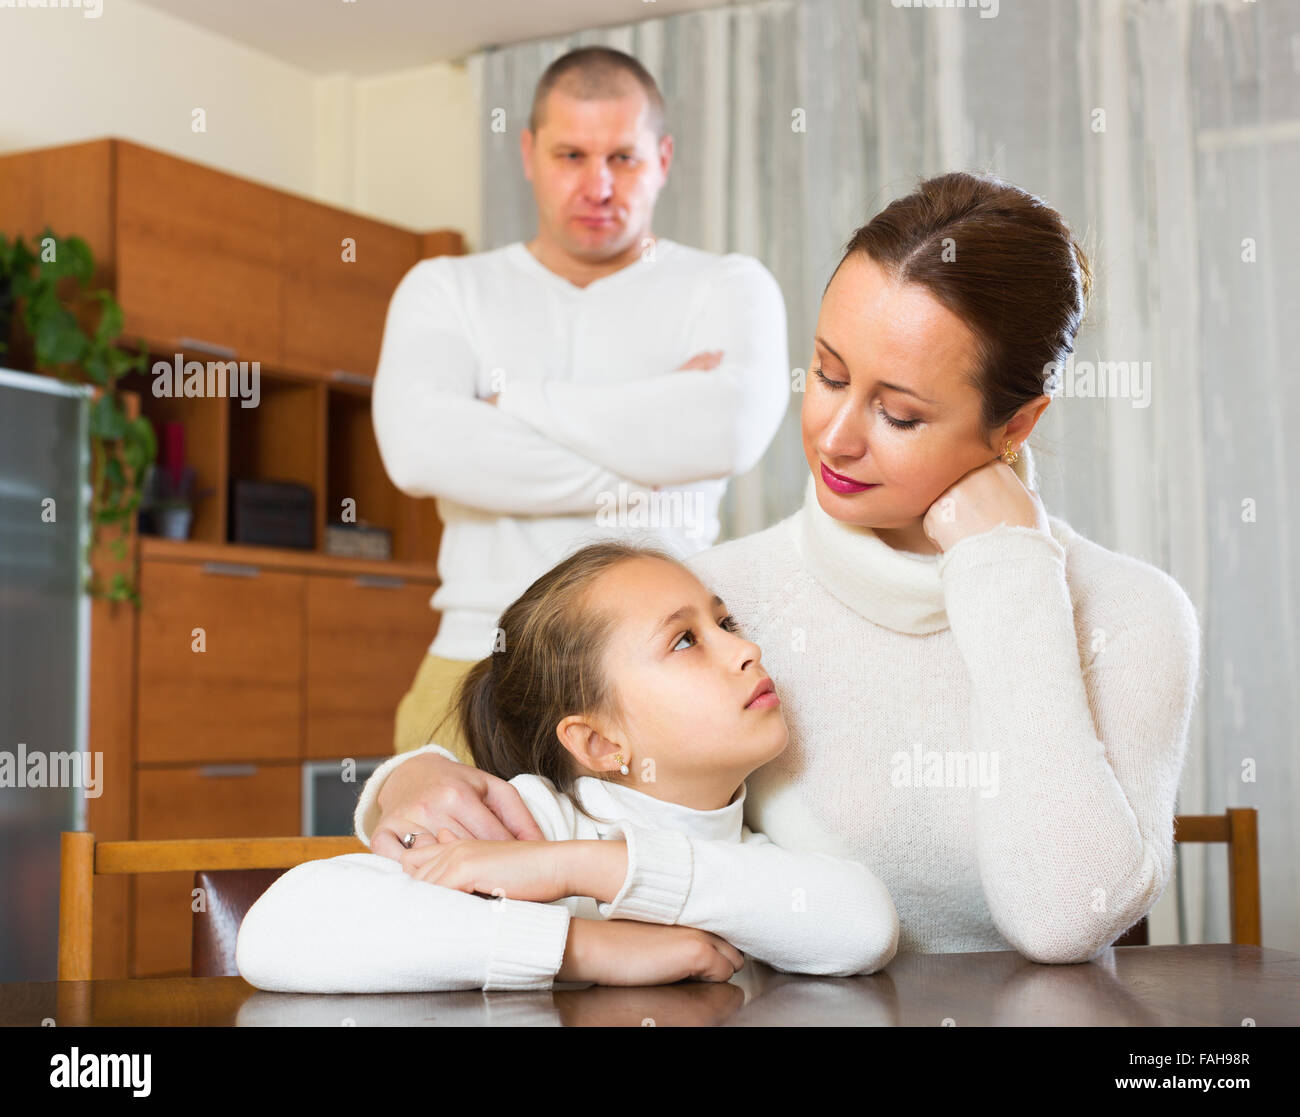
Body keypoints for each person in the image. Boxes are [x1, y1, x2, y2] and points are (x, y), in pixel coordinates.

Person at [361, 172, 1201, 966]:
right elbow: (555, 779)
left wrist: (1009, 569)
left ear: (1015, 423)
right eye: (828, 373)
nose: (835, 435)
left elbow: (1062, 919)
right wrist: (405, 781)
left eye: (899, 413)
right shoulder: (719, 603)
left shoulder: (1132, 616)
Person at [235, 541, 898, 992]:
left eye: (725, 621)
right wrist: (582, 947)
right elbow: (277, 930)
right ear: (601, 744)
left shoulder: (742, 855)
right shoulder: (529, 824)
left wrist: (581, 868)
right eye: (687, 639)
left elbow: (865, 926)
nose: (747, 648)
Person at [373, 46, 789, 761]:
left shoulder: (728, 286)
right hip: (476, 656)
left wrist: (513, 403)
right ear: (530, 153)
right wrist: (648, 470)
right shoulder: (443, 289)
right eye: (572, 155)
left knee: (669, 873)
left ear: (661, 157)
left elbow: (726, 432)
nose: (598, 185)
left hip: (668, 668)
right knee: (446, 871)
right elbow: (416, 449)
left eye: (622, 158)